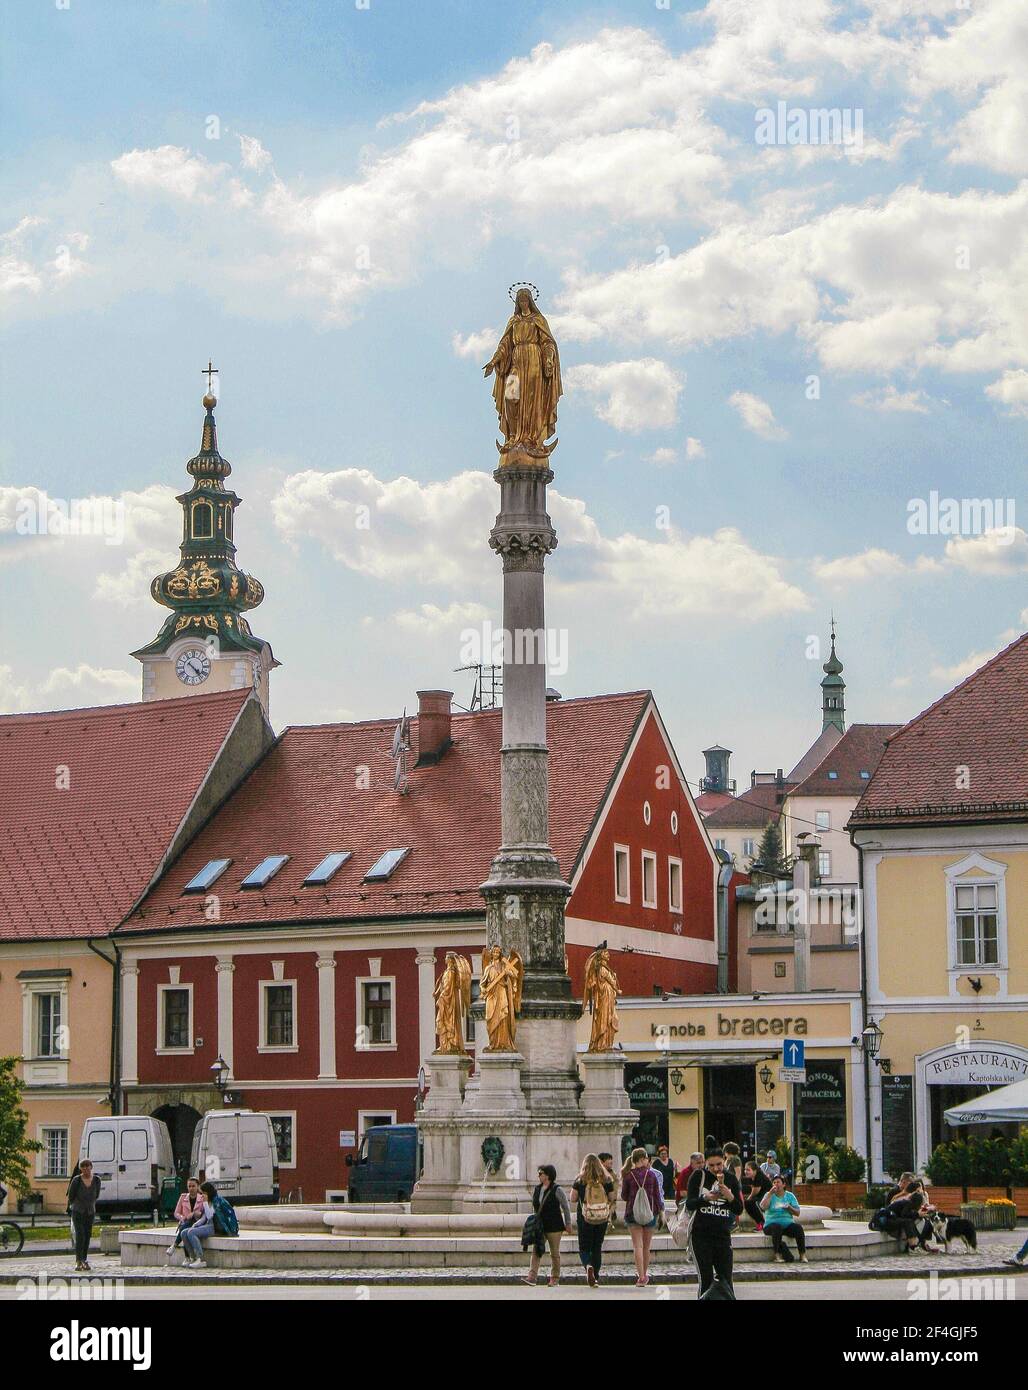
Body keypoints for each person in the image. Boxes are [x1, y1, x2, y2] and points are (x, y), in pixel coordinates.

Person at [685, 1146, 743, 1298]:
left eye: (719, 1164)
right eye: (711, 1165)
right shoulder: (699, 1176)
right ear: (705, 1163)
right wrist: (706, 1198)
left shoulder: (730, 1178)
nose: (715, 1168)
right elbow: (689, 1203)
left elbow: (738, 1209)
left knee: (726, 1281)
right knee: (706, 1280)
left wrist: (729, 1196)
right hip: (700, 1236)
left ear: (724, 1160)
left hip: (722, 1236)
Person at [621, 1146, 664, 1287]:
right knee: (646, 1247)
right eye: (646, 1158)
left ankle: (640, 1276)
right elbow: (657, 1196)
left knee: (637, 1246)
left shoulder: (628, 1175)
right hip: (650, 1213)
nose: (647, 1160)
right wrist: (661, 1213)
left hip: (632, 1214)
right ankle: (645, 1274)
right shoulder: (652, 1175)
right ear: (641, 1159)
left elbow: (624, 1196)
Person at [572, 1153, 616, 1288]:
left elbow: (573, 1199)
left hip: (585, 1217)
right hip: (602, 1217)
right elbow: (612, 1197)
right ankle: (595, 1276)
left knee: (584, 1247)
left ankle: (588, 1266)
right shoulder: (607, 1179)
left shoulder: (580, 1180)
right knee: (597, 1246)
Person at [522, 1165, 571, 1287]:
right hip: (541, 1225)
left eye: (540, 1173)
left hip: (554, 1225)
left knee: (554, 1253)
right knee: (536, 1250)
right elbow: (536, 1206)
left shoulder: (557, 1189)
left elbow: (565, 1207)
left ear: (548, 1175)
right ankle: (532, 1277)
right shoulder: (537, 1189)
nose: (539, 1175)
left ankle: (555, 1278)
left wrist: (568, 1223)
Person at [760, 1175, 808, 1262]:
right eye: (774, 1182)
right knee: (777, 1227)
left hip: (787, 1225)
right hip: (770, 1225)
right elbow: (763, 1207)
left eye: (778, 1182)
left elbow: (797, 1213)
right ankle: (777, 1255)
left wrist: (789, 1207)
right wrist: (770, 1194)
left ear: (783, 1184)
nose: (776, 1184)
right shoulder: (769, 1194)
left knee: (798, 1228)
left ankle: (802, 1255)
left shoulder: (790, 1196)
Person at [66, 1158, 101, 1272]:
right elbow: (71, 1196)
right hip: (78, 1211)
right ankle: (78, 1261)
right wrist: (76, 1205)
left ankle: (84, 1259)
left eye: (87, 1166)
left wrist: (90, 1205)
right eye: (83, 1166)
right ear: (80, 1169)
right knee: (80, 1235)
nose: (86, 1169)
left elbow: (96, 1195)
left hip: (90, 1211)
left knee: (87, 1235)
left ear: (91, 1167)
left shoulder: (96, 1180)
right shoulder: (77, 1180)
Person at [181, 1181, 220, 1268]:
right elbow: (204, 1217)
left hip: (212, 1227)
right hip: (206, 1225)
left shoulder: (215, 1202)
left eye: (203, 1193)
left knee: (191, 1232)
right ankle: (192, 1257)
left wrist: (205, 1203)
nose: (201, 1195)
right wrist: (196, 1224)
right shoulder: (206, 1202)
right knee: (184, 1232)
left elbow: (210, 1216)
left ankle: (200, 1259)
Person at [166, 1176, 205, 1260]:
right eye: (189, 1186)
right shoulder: (183, 1197)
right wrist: (182, 1218)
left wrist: (194, 1214)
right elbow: (176, 1213)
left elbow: (203, 1213)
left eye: (193, 1186)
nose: (191, 1188)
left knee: (185, 1228)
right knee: (184, 1229)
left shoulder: (202, 1198)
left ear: (198, 1187)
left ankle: (175, 1246)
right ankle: (187, 1257)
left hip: (197, 1223)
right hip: (185, 1222)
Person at [651, 1143, 677, 1224]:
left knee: (671, 1201)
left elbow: (673, 1172)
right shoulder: (656, 1163)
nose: (664, 1155)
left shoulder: (670, 1161)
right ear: (659, 1155)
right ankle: (662, 1218)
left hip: (669, 1184)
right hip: (661, 1184)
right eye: (662, 1154)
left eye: (665, 1154)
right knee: (662, 1201)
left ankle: (670, 1219)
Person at [742, 1159, 772, 1229]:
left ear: (755, 1170)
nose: (745, 1172)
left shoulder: (759, 1176)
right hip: (761, 1195)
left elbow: (755, 1191)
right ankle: (759, 1222)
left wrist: (749, 1197)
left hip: (768, 1196)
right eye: (745, 1169)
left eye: (748, 1170)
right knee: (747, 1203)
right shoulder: (751, 1177)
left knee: (749, 1202)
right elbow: (753, 1189)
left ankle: (762, 1222)